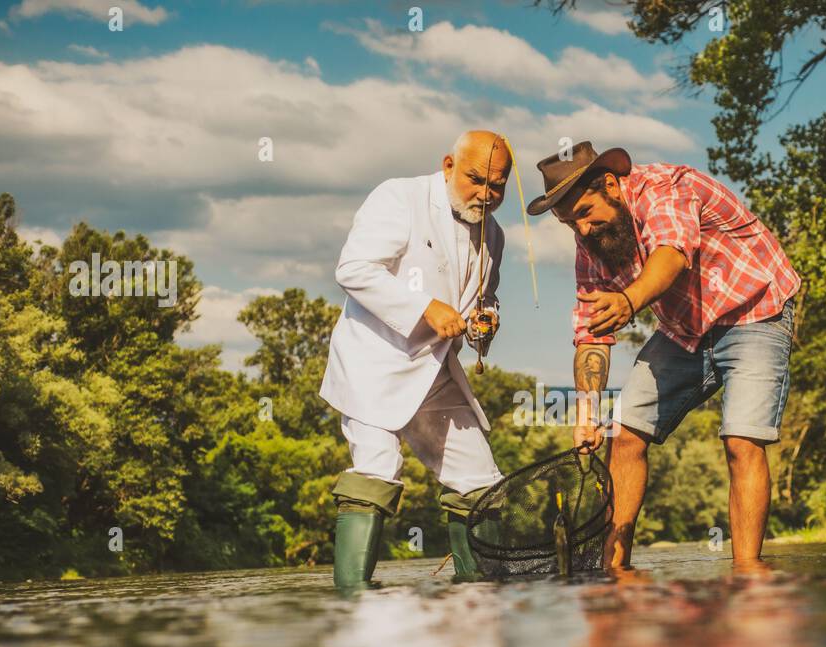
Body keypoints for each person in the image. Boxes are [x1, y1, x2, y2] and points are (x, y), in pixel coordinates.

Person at [526, 141, 801, 573]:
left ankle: (749, 575)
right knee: (625, 433)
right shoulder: (591, 243)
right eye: (568, 223)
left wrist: (629, 301)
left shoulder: (665, 189)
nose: (581, 230)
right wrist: (586, 411)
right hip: (685, 329)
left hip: (755, 311)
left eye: (584, 213)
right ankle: (614, 569)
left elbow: (670, 255)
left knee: (741, 441)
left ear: (612, 185)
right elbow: (590, 334)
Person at [320, 130, 509, 585]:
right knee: (376, 470)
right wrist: (424, 307)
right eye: (476, 179)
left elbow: (485, 298)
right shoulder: (398, 196)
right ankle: (353, 600)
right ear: (448, 165)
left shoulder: (495, 235)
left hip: (436, 371)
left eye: (498, 185)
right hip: (373, 366)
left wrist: (486, 320)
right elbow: (354, 269)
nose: (486, 194)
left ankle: (479, 601)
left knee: (482, 483)